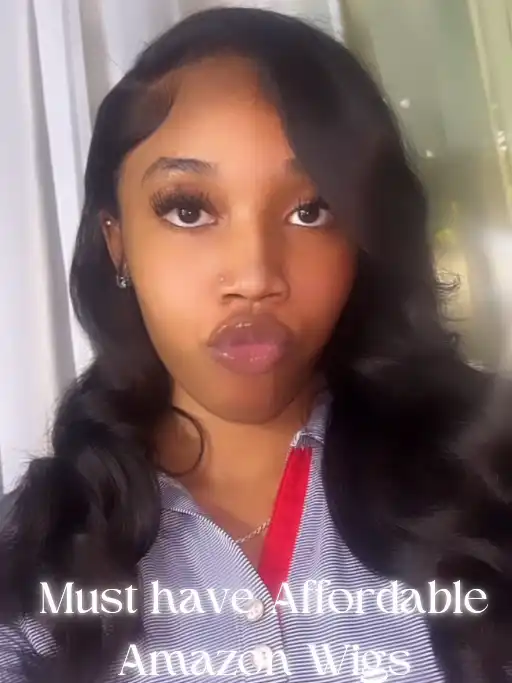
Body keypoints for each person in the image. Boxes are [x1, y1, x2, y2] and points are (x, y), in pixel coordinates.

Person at [1, 6, 511, 683]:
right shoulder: (31, 556)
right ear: (116, 241)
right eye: (189, 209)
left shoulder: (489, 473)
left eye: (311, 210)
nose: (255, 276)